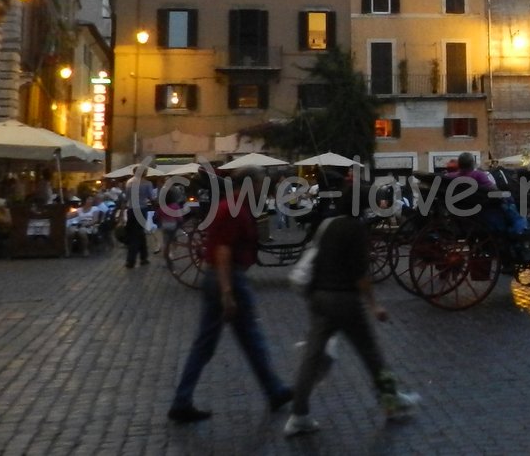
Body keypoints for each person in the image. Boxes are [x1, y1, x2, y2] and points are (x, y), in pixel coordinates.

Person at [168, 168, 294, 423]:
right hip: (227, 279)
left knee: (240, 340)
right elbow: (223, 250)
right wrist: (227, 292)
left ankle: (273, 390)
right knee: (238, 340)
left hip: (227, 278)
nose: (262, 188)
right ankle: (273, 390)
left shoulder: (235, 207)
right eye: (259, 183)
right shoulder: (233, 209)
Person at [284, 208, 419, 436]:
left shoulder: (329, 223)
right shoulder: (355, 229)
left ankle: (298, 414)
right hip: (345, 299)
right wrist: (374, 305)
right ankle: (390, 400)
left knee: (312, 357)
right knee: (371, 353)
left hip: (320, 297)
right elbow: (361, 275)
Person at [123, 163, 156, 268]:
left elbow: (126, 197)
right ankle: (131, 260)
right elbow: (151, 197)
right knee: (136, 235)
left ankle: (144, 257)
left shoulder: (129, 182)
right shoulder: (147, 183)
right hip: (141, 209)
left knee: (137, 233)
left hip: (131, 209)